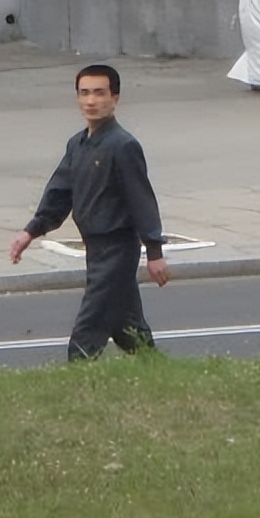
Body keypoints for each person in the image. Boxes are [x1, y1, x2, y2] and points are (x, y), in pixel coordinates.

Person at [9, 64, 170, 361]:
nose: (91, 101)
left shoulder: (123, 145)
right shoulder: (78, 144)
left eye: (99, 93)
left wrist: (154, 251)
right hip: (94, 248)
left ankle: (78, 375)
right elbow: (60, 192)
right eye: (84, 93)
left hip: (117, 248)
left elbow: (141, 200)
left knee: (89, 327)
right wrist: (31, 231)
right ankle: (156, 370)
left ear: (115, 98)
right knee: (127, 325)